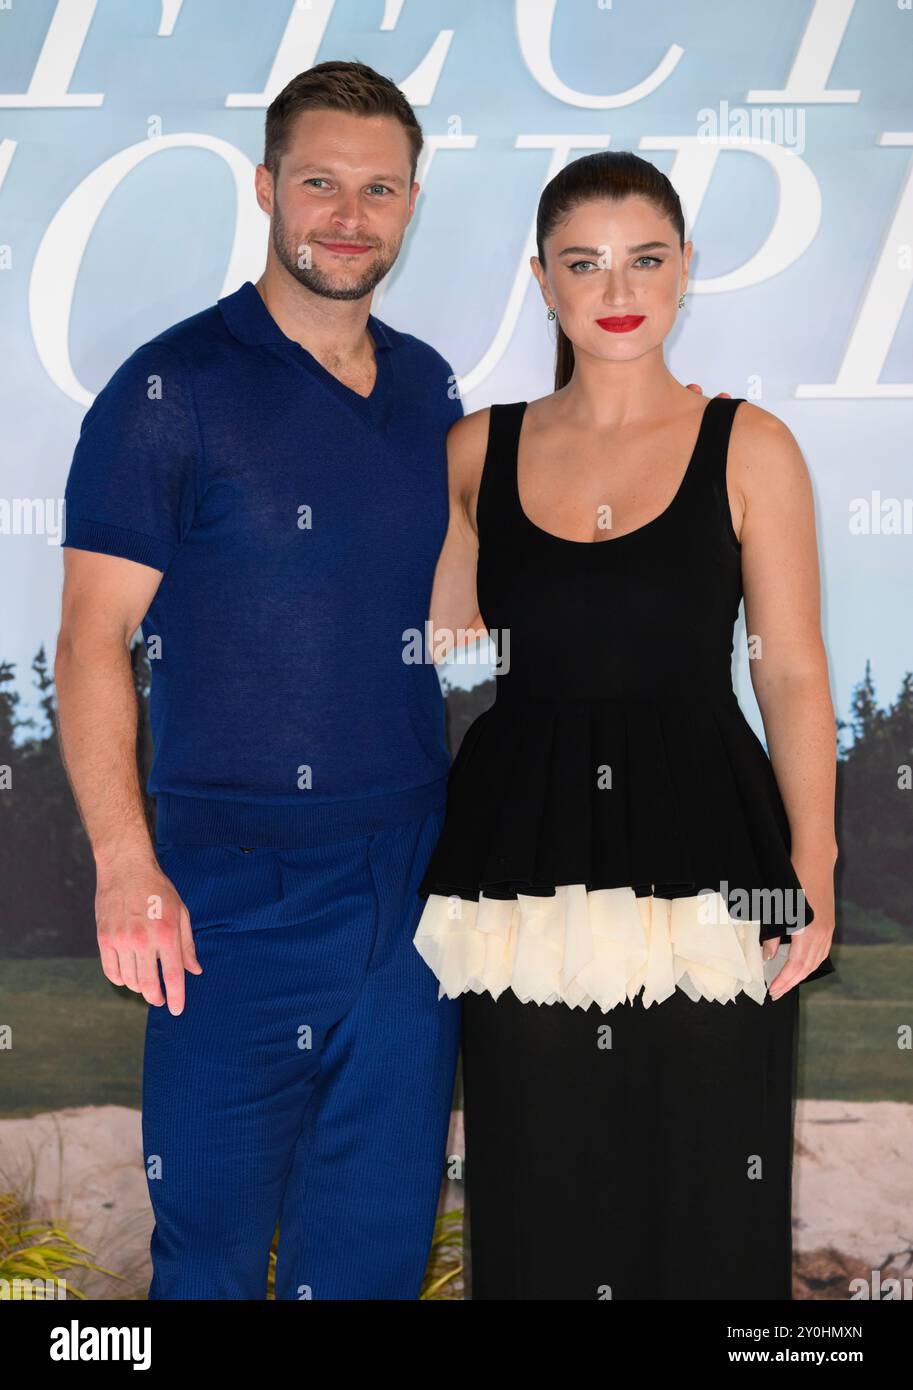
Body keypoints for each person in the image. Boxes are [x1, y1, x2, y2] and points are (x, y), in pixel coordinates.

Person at [54, 61, 469, 1301]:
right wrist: (127, 868)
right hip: (225, 892)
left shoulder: (426, 386)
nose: (350, 214)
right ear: (266, 189)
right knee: (214, 1255)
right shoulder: (168, 391)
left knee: (373, 1253)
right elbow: (89, 642)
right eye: (321, 183)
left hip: (410, 882)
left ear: (410, 204)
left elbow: (461, 606)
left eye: (380, 188)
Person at [413, 150, 837, 1301]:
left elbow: (791, 670)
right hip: (519, 854)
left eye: (646, 257)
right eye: (583, 261)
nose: (617, 285)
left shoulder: (750, 445)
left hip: (719, 850)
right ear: (541, 280)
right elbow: (437, 641)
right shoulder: (473, 452)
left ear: (687, 270)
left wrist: (814, 861)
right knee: (537, 1181)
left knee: (712, 1183)